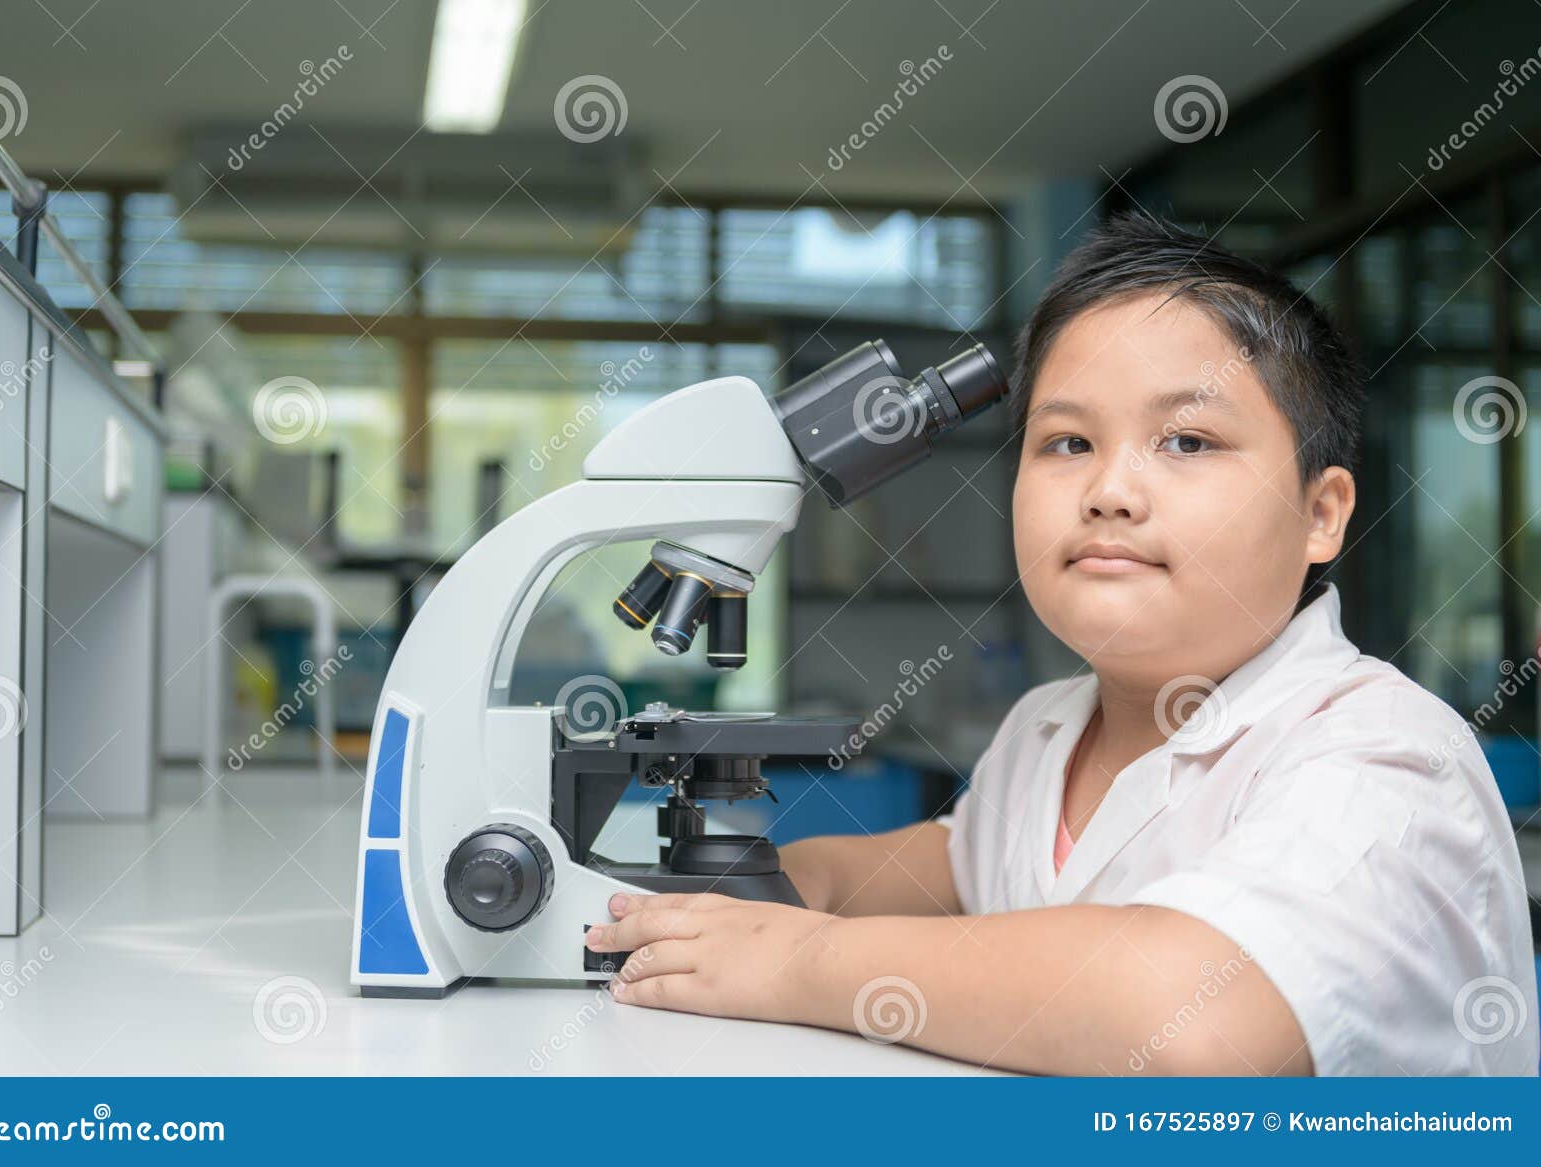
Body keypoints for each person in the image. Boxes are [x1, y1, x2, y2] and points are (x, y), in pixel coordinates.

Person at [586, 214, 1540, 1075]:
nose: (1110, 490)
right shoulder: (1048, 727)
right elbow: (951, 870)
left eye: (1189, 442)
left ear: (1322, 513)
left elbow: (1191, 1020)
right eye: (1068, 443)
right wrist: (770, 889)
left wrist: (796, 961)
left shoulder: (1384, 758)